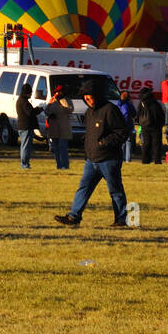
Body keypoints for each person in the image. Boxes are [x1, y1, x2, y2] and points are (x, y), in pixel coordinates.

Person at [55, 80, 130, 227]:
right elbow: (90, 134)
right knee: (83, 188)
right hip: (91, 160)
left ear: (97, 95)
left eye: (90, 96)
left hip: (109, 160)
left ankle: (121, 219)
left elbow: (122, 132)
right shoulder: (89, 112)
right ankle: (73, 217)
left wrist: (103, 143)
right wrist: (88, 149)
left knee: (115, 190)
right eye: (85, 97)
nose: (88, 99)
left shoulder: (110, 110)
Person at [45, 84, 73, 170]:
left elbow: (70, 109)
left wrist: (61, 100)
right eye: (56, 92)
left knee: (63, 147)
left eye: (59, 92)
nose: (57, 93)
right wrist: (50, 107)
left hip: (63, 129)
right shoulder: (52, 101)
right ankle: (59, 165)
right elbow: (46, 111)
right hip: (54, 128)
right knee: (56, 149)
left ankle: (65, 165)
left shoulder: (67, 100)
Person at [136, 89, 165, 164]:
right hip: (156, 126)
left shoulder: (141, 103)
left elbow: (138, 114)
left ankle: (145, 160)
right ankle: (157, 160)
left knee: (146, 143)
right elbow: (160, 114)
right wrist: (162, 123)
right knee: (156, 144)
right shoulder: (155, 103)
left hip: (145, 126)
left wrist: (139, 123)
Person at [15, 83, 37, 169]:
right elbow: (30, 112)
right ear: (26, 92)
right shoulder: (24, 102)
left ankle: (25, 164)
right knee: (25, 147)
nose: (31, 94)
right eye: (30, 92)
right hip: (26, 127)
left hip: (23, 126)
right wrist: (38, 109)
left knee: (24, 146)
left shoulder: (21, 100)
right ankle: (24, 164)